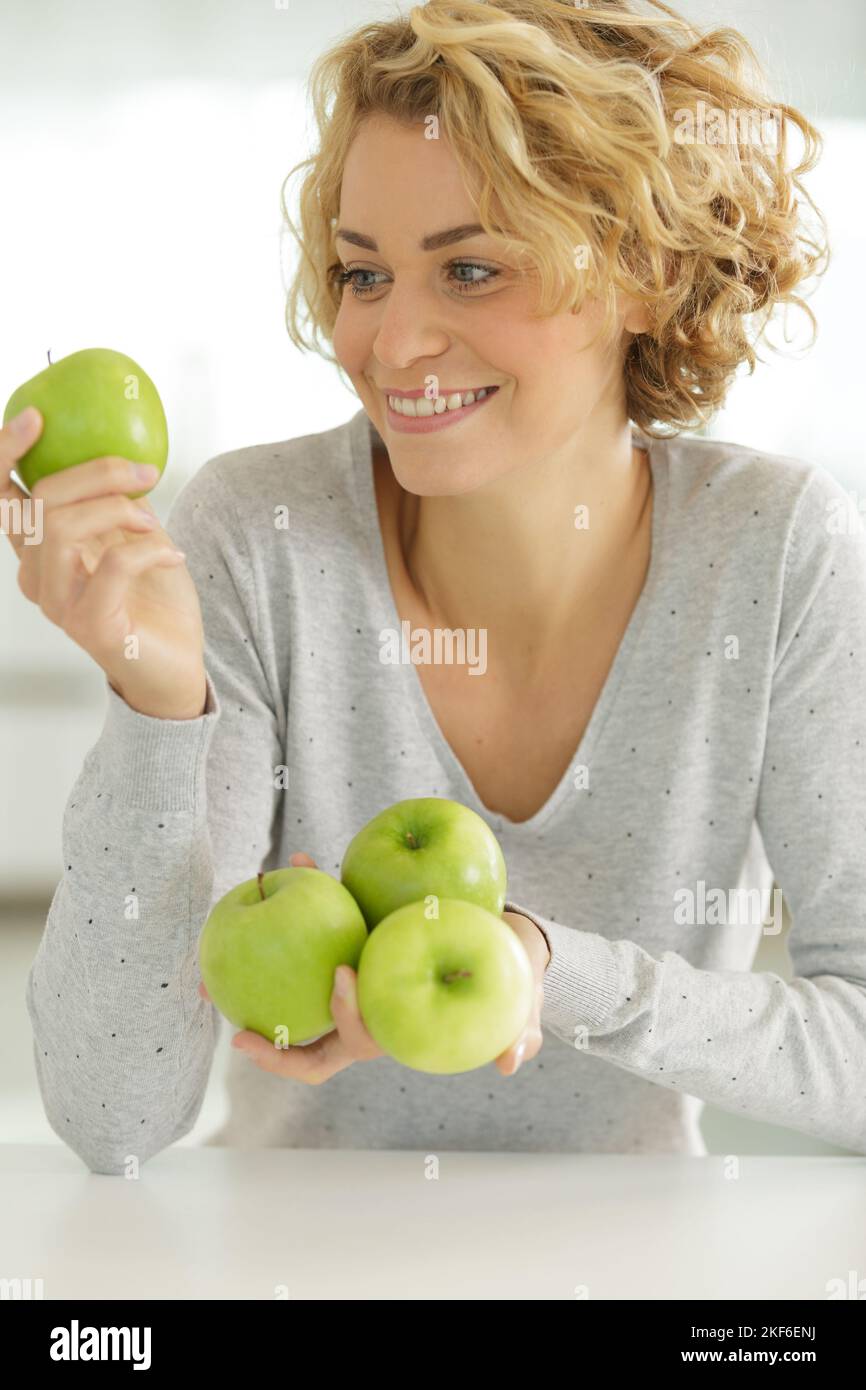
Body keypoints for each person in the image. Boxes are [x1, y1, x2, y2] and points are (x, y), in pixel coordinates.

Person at [7, 0, 865, 1174]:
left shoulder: (770, 548)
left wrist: (545, 968)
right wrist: (161, 709)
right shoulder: (259, 537)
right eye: (364, 273)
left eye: (469, 268)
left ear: (645, 279)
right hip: (294, 1266)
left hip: (642, 1269)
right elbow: (112, 1120)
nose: (392, 341)